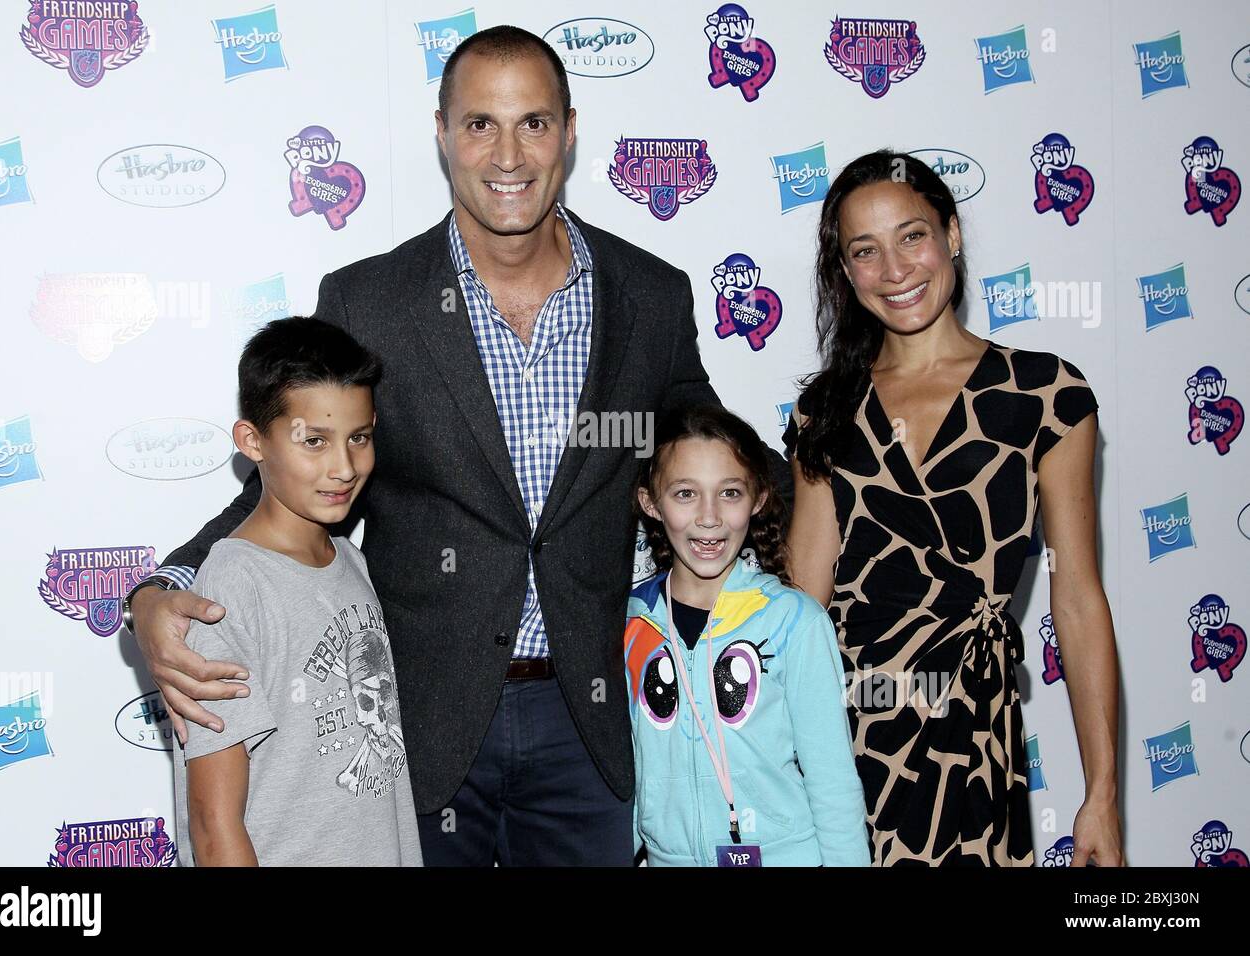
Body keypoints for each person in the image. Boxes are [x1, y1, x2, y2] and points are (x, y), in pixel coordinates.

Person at [125, 26, 790, 866]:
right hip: (417, 720)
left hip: (590, 721)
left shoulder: (650, 296)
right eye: (481, 124)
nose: (508, 154)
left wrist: (829, 510)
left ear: (570, 131)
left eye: (534, 124)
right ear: (442, 134)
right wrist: (161, 587)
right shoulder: (370, 298)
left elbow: (716, 455)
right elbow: (282, 477)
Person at [783, 151, 1124, 866]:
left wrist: (1102, 795)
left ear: (953, 235)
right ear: (845, 273)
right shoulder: (826, 413)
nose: (896, 269)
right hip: (849, 741)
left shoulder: (1046, 396)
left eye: (913, 236)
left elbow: (1079, 602)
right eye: (864, 251)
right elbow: (801, 615)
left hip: (976, 738)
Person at [172, 317, 421, 866]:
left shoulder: (350, 559)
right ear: (251, 441)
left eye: (359, 437)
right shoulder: (229, 588)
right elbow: (215, 828)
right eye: (314, 442)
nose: (344, 467)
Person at [625, 405, 869, 867]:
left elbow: (833, 779)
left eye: (730, 493)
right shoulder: (631, 623)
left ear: (757, 499)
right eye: (685, 494)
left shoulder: (794, 621)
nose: (710, 517)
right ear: (650, 504)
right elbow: (627, 773)